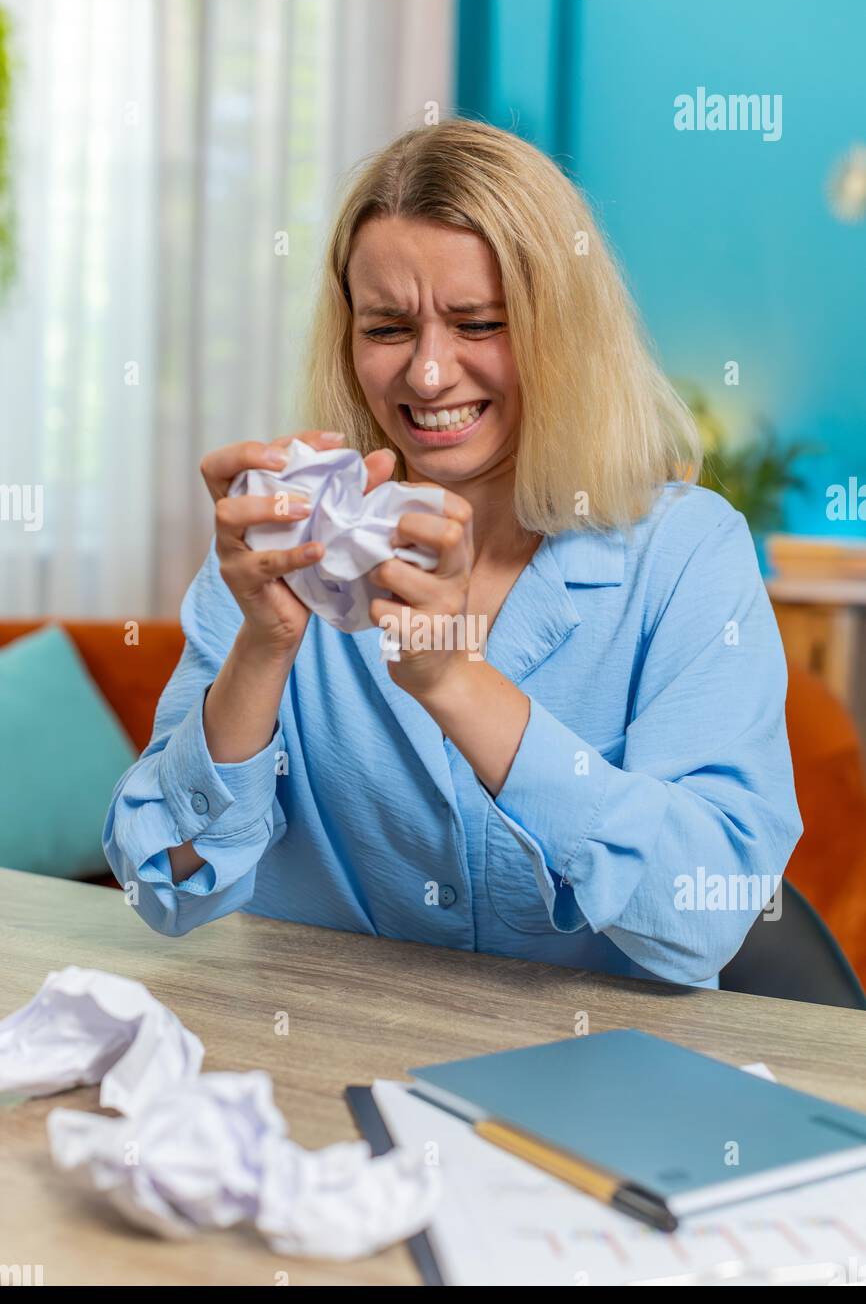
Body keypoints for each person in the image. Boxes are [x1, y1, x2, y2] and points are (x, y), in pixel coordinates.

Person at [104, 119, 802, 988]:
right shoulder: (285, 548)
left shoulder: (689, 554)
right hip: (317, 1068)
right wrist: (262, 650)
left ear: (562, 333)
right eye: (388, 328)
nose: (428, 375)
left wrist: (456, 682)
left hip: (592, 1090)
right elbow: (163, 885)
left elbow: (705, 916)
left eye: (478, 323)